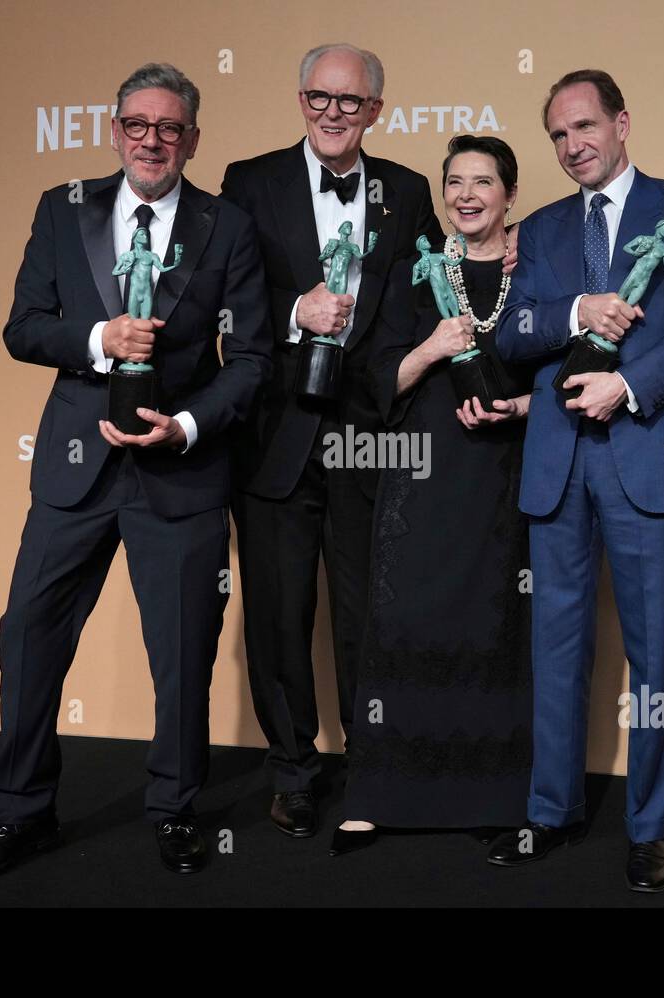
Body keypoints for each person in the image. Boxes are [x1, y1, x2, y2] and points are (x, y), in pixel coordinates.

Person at [0, 62, 270, 880]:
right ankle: (20, 815)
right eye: (137, 124)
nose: (151, 140)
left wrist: (187, 425)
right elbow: (24, 329)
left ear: (192, 138)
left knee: (184, 651)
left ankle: (174, 807)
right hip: (75, 471)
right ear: (114, 128)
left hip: (180, 472)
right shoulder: (64, 210)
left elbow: (253, 357)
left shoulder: (226, 225)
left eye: (169, 128)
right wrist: (98, 342)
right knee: (27, 638)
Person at [493, 70, 664, 892]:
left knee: (655, 653)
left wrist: (627, 386)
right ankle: (550, 811)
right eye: (558, 135)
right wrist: (574, 313)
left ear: (623, 122)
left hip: (650, 452)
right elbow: (512, 333)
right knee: (556, 649)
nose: (573, 146)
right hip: (559, 458)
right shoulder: (543, 226)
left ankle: (649, 827)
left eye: (585, 127)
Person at [219, 42, 443, 839]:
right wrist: (294, 312)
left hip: (367, 434)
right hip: (275, 432)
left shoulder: (408, 191)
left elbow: (420, 312)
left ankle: (372, 764)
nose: (333, 114)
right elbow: (225, 292)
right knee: (279, 613)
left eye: (351, 102)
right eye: (320, 97)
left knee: (366, 611)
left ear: (376, 110)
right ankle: (293, 771)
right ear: (300, 98)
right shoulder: (250, 182)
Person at [331, 136, 533, 855]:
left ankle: (494, 796)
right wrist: (431, 350)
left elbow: (570, 365)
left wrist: (522, 407)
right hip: (421, 475)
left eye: (483, 182)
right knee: (404, 622)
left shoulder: (536, 267)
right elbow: (372, 374)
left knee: (492, 626)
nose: (467, 195)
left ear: (510, 193)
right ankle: (378, 796)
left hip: (505, 475)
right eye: (455, 182)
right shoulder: (416, 270)